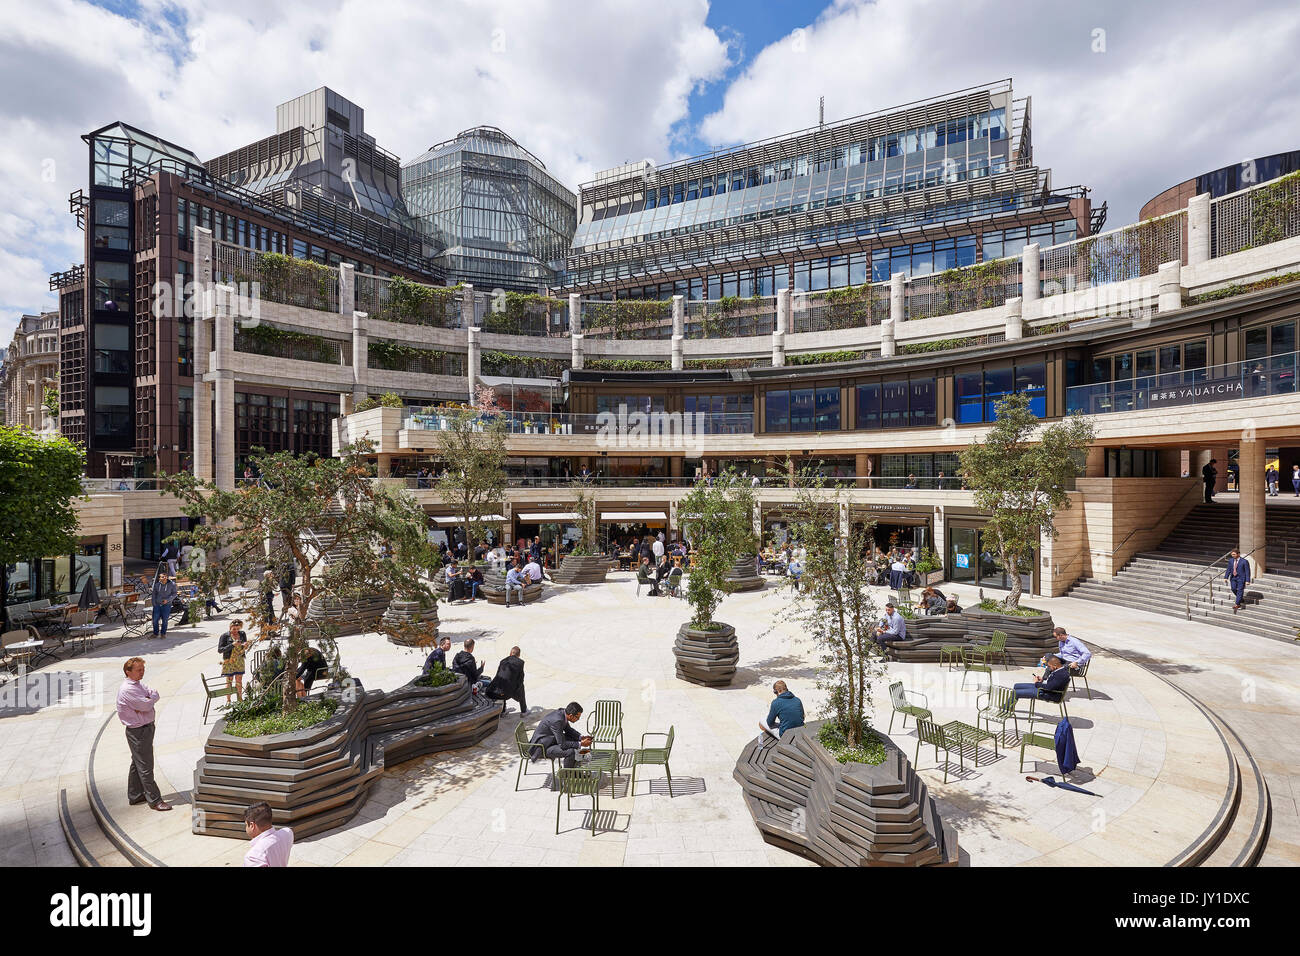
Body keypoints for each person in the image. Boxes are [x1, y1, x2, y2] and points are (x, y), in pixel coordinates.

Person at [116, 657, 170, 811]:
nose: (142, 672)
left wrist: (149, 699)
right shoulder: (128, 689)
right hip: (139, 731)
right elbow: (145, 705)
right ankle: (155, 800)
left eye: (143, 669)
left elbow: (154, 694)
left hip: (145, 728)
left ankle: (135, 795)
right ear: (128, 672)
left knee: (138, 762)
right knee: (146, 765)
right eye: (139, 670)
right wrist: (148, 700)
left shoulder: (138, 684)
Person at [528, 702, 592, 769]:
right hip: (542, 747)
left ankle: (573, 765)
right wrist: (581, 743)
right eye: (577, 718)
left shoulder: (563, 714)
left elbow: (568, 730)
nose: (578, 720)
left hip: (550, 740)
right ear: (571, 716)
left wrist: (581, 737)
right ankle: (568, 774)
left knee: (573, 739)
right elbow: (562, 744)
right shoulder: (557, 721)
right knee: (570, 752)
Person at [243, 801, 293, 867]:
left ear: (252, 825)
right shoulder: (287, 833)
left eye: (246, 825)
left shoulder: (253, 857)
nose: (246, 827)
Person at [485, 646, 528, 717]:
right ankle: (524, 711)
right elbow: (520, 679)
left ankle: (503, 711)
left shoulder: (503, 661)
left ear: (510, 653)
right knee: (521, 686)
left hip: (494, 692)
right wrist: (517, 691)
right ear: (519, 655)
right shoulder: (520, 662)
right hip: (507, 694)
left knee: (503, 683)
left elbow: (498, 675)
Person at [219, 620, 252, 701]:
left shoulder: (242, 634)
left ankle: (239, 699)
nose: (236, 631)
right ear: (230, 627)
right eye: (234, 629)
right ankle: (228, 700)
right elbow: (220, 650)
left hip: (239, 660)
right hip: (229, 660)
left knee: (239, 680)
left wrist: (245, 645)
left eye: (238, 629)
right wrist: (232, 645)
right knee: (229, 680)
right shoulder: (224, 636)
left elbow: (244, 645)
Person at [151, 570, 177, 638]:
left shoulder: (172, 584)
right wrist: (154, 604)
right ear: (159, 578)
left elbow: (174, 594)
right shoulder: (157, 585)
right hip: (157, 605)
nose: (164, 578)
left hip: (167, 605)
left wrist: (168, 600)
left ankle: (163, 633)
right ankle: (155, 633)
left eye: (165, 576)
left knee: (165, 620)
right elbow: (153, 595)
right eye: (162, 577)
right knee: (155, 620)